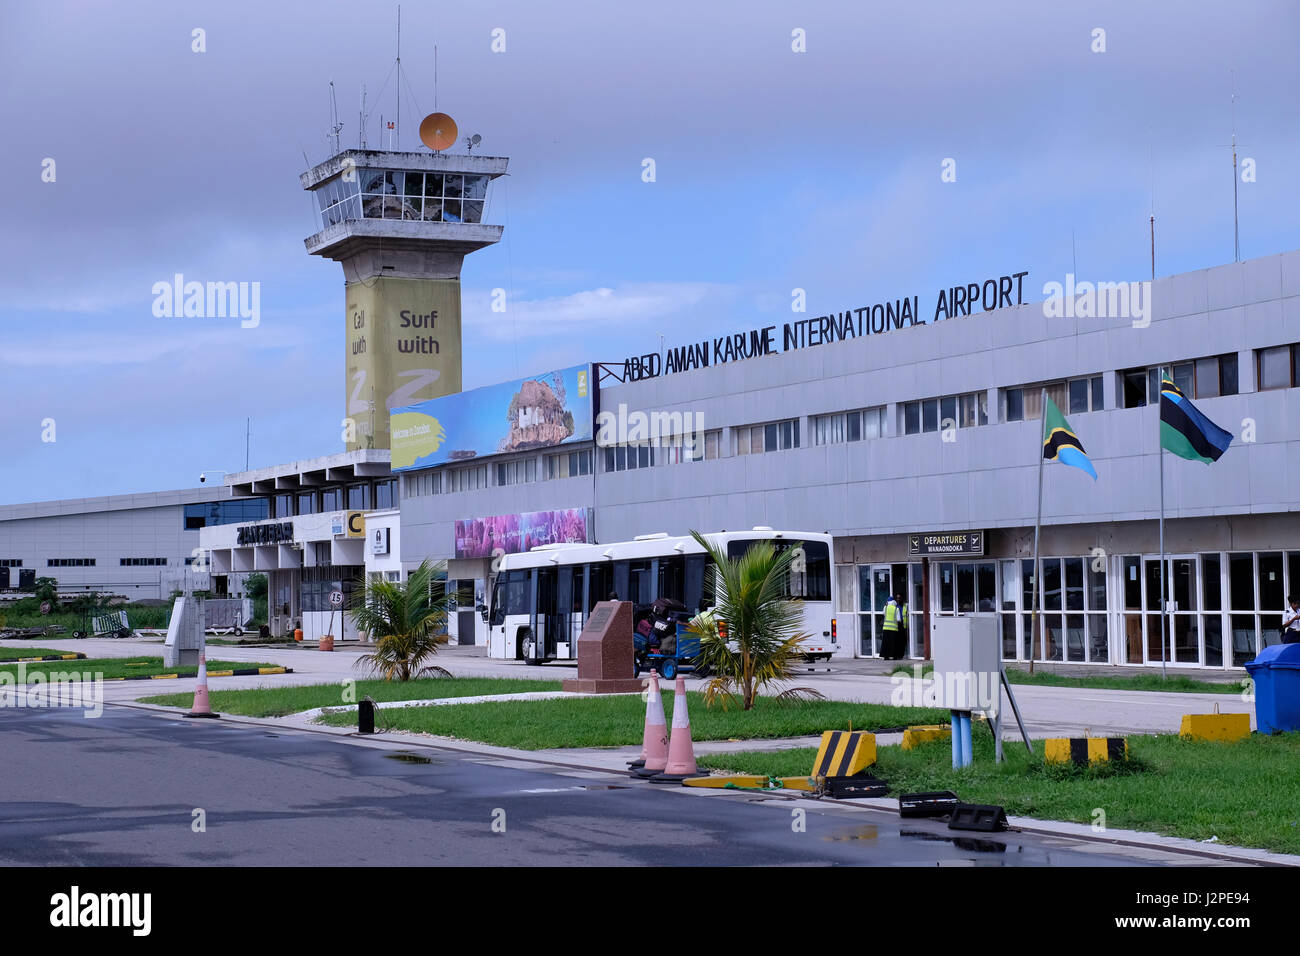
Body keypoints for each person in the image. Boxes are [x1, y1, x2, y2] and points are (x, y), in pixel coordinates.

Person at [882, 592, 909, 659]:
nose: (898, 599)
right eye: (897, 598)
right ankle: (897, 655)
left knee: (902, 642)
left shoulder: (906, 606)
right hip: (896, 625)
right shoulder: (895, 606)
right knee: (896, 642)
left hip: (903, 626)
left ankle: (901, 655)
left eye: (899, 598)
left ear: (902, 598)